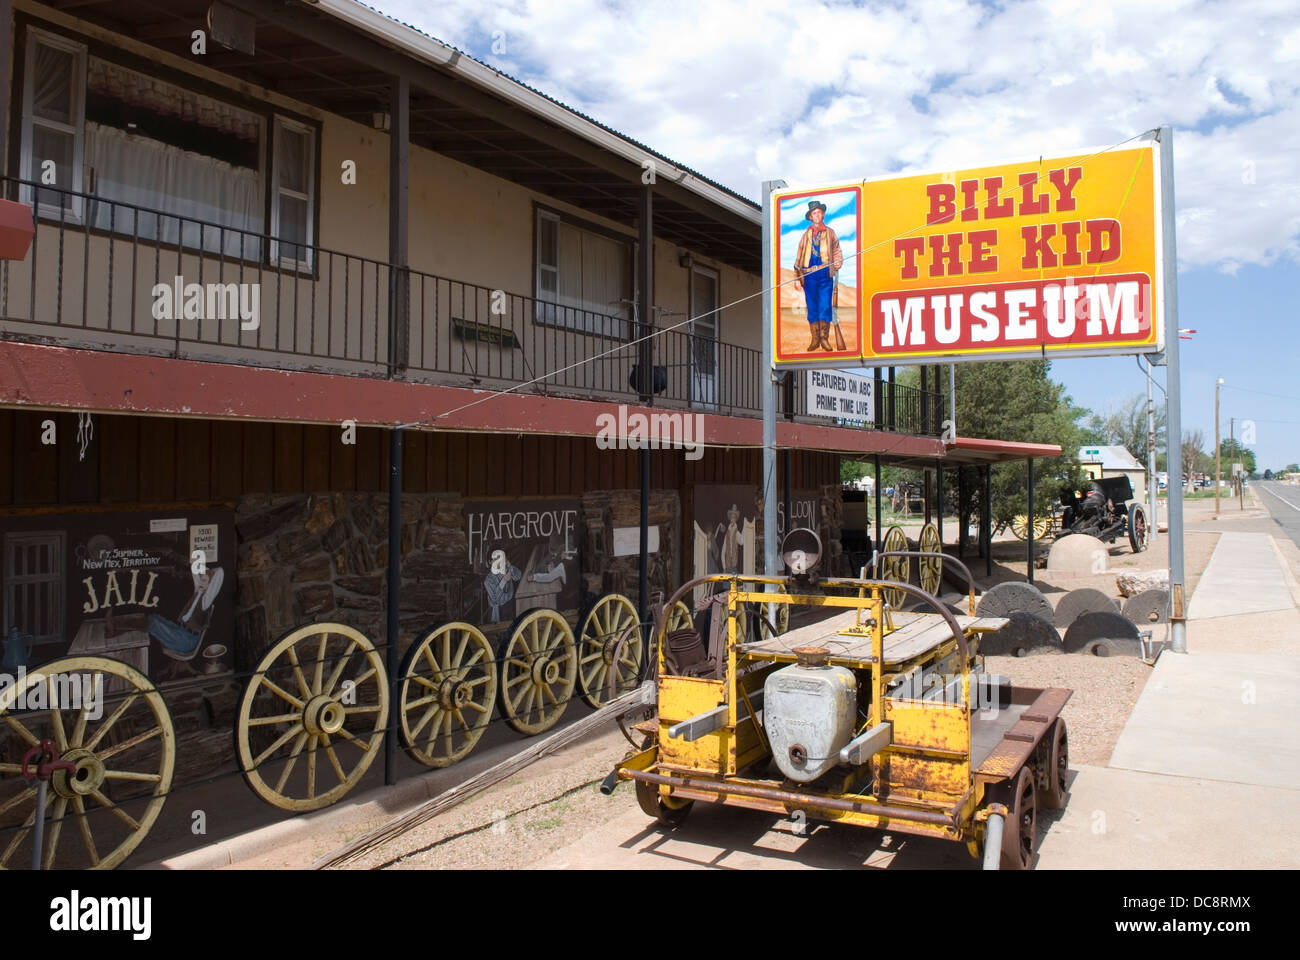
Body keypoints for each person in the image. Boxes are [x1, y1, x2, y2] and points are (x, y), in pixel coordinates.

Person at [792, 200, 843, 351]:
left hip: (825, 274)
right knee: (812, 307)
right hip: (809, 276)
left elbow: (836, 249)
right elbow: (799, 256)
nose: (817, 215)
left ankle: (824, 339)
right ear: (810, 216)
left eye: (819, 212)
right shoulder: (805, 235)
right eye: (814, 213)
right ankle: (815, 339)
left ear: (823, 214)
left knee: (825, 306)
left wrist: (838, 261)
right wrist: (797, 276)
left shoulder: (830, 233)